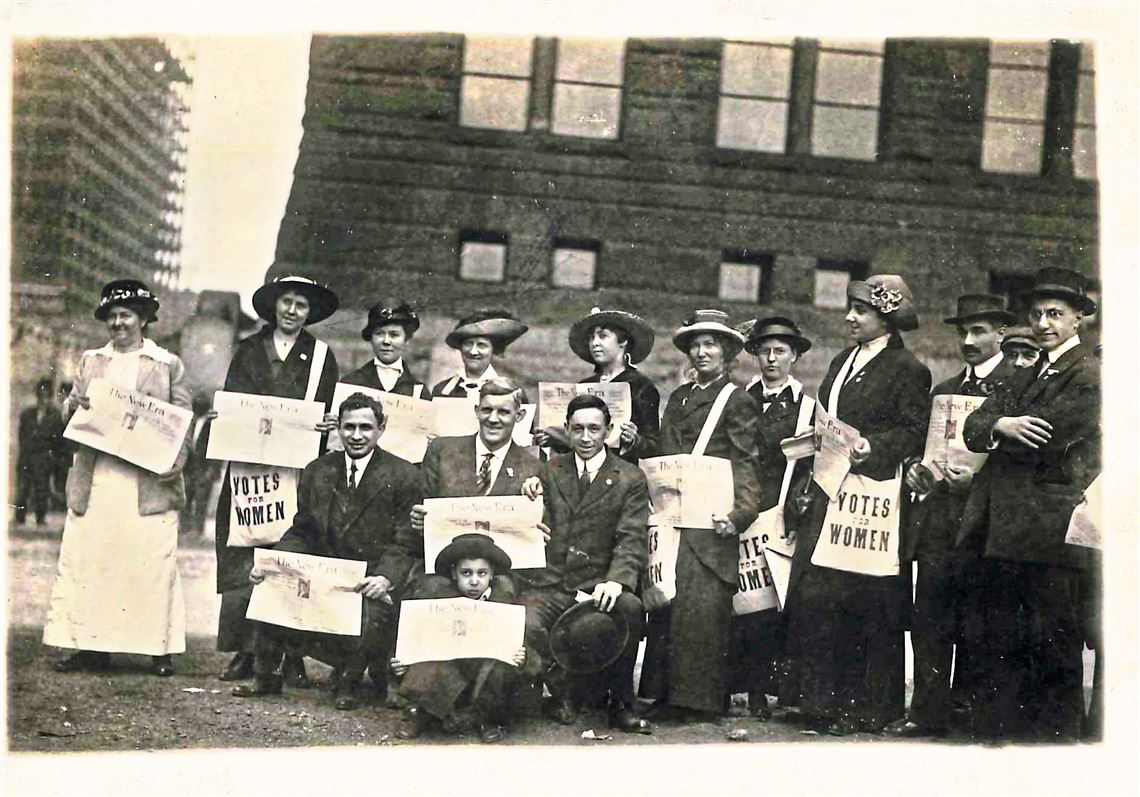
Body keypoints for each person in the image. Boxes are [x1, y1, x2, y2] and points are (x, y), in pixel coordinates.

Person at [782, 275, 931, 736]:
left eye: (860, 311)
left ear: (886, 318)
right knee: (823, 593)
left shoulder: (908, 368)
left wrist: (875, 446)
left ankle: (868, 706)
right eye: (850, 308)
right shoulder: (841, 360)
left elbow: (914, 431)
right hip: (832, 488)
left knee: (867, 600)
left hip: (873, 496)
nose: (850, 318)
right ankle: (820, 700)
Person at [959, 267, 1100, 741]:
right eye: (1037, 314)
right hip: (1009, 525)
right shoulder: (1023, 372)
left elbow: (1050, 433)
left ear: (1077, 318)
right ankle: (1015, 734)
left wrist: (1005, 424)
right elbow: (972, 427)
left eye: (1055, 314)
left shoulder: (1088, 373)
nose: (1043, 323)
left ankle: (1055, 740)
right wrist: (1002, 425)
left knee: (1052, 635)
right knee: (1007, 633)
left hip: (1048, 525)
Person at [233, 393, 422, 710]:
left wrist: (385, 578)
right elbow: (303, 529)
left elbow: (404, 541)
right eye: (349, 427)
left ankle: (349, 681)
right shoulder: (318, 469)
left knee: (374, 609)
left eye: (365, 427)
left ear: (381, 428)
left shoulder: (404, 475)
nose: (357, 436)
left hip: (368, 577)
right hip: (323, 573)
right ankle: (266, 674)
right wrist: (276, 562)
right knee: (270, 583)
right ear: (338, 428)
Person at [42, 280, 191, 676]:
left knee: (150, 562)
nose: (118, 323)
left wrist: (174, 461)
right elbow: (70, 414)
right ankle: (91, 647)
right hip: (99, 478)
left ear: (143, 319)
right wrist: (74, 404)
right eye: (111, 316)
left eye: (125, 315)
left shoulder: (166, 364)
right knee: (94, 561)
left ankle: (158, 649)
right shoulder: (91, 361)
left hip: (146, 482)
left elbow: (183, 421)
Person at [885, 294, 1016, 738]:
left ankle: (970, 713)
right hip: (940, 520)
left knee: (979, 620)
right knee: (931, 618)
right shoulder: (943, 391)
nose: (969, 341)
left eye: (979, 331)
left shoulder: (1018, 387)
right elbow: (924, 449)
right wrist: (915, 471)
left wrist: (977, 484)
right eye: (963, 332)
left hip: (988, 523)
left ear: (1001, 333)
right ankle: (927, 712)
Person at [211, 273, 340, 685]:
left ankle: (291, 653)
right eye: (286, 302)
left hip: (296, 473)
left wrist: (326, 425)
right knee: (245, 552)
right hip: (249, 470)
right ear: (274, 306)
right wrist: (224, 418)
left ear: (309, 312)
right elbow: (234, 402)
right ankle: (244, 651)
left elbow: (327, 410)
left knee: (292, 552)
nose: (292, 311)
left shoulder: (321, 357)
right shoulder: (248, 349)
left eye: (301, 305)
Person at [639, 310, 760, 720]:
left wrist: (740, 513)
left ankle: (698, 701)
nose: (701, 352)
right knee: (668, 601)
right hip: (674, 516)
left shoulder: (737, 400)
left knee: (701, 609)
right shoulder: (679, 398)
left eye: (710, 344)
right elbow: (664, 453)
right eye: (695, 345)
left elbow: (745, 462)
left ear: (727, 353)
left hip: (710, 521)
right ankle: (664, 694)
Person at [520, 394, 653, 734]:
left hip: (600, 581)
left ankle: (622, 702)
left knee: (629, 608)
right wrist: (530, 500)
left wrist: (617, 580)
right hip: (555, 582)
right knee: (526, 620)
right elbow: (534, 520)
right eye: (577, 429)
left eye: (594, 429)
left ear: (609, 430)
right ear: (566, 429)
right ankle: (565, 690)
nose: (585, 437)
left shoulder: (630, 477)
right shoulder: (550, 470)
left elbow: (631, 537)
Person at [730, 316, 815, 718]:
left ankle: (776, 688)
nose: (771, 359)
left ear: (794, 356)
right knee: (745, 599)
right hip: (743, 508)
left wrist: (797, 506)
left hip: (783, 511)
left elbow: (810, 467)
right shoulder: (739, 399)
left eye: (780, 351)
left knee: (778, 601)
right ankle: (744, 687)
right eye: (764, 351)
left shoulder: (806, 407)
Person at [391, 534, 528, 743]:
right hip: (450, 671)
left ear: (492, 574)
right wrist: (403, 663)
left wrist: (520, 656)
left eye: (482, 573)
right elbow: (415, 639)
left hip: (480, 674)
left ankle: (486, 718)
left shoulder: (503, 602)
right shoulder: (438, 602)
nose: (474, 581)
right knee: (430, 659)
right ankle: (422, 713)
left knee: (499, 668)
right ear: (454, 574)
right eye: (466, 573)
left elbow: (516, 641)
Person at [409, 378, 542, 591]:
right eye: (487, 410)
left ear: (519, 416)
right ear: (476, 410)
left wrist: (538, 531)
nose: (493, 419)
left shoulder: (533, 468)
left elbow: (534, 528)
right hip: (443, 569)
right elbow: (421, 508)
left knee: (504, 593)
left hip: (501, 575)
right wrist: (418, 520)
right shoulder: (442, 451)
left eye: (504, 412)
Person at [533, 307, 660, 464]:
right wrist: (552, 439)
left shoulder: (641, 386)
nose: (595, 343)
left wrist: (634, 440)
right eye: (591, 337)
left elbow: (654, 447)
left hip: (622, 470)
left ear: (623, 341)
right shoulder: (584, 386)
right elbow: (573, 441)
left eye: (603, 336)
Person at [431, 309, 530, 401]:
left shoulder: (511, 392)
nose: (473, 352)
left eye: (481, 345)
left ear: (494, 349)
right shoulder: (442, 390)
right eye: (468, 344)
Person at [342, 302, 430, 398]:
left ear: (406, 340)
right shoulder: (350, 383)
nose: (386, 341)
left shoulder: (418, 391)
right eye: (379, 333)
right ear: (371, 338)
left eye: (394, 335)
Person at [16, 378, 63, 526]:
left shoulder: (55, 415)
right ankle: (19, 518)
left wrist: (52, 458)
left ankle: (40, 518)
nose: (43, 399)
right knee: (23, 488)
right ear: (37, 395)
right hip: (28, 457)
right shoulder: (27, 414)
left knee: (42, 489)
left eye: (46, 395)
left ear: (50, 396)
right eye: (41, 395)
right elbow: (22, 436)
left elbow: (58, 440)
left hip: (44, 458)